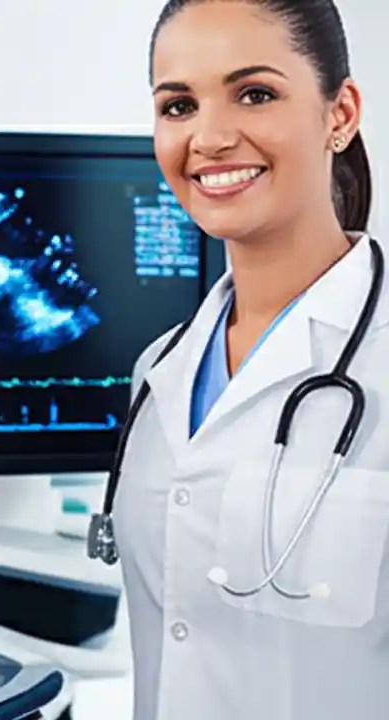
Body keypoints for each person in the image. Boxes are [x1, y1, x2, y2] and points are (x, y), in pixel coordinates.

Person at [110, 1, 381, 718]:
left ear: (340, 114)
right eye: (178, 105)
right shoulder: (158, 373)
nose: (210, 136)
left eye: (255, 94)